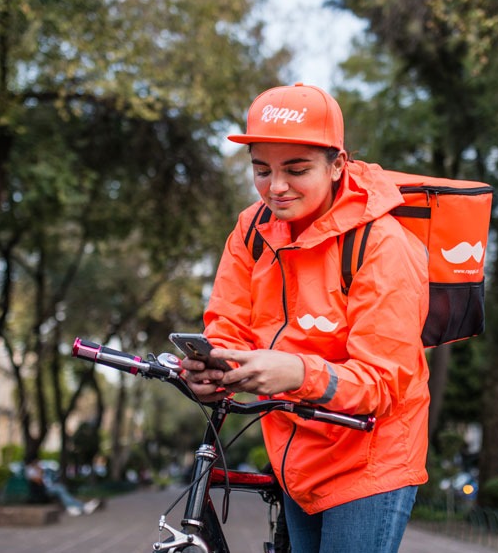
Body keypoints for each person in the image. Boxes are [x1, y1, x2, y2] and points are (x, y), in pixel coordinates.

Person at [180, 83, 431, 553]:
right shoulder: (251, 228)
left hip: (370, 462)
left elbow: (381, 382)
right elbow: (228, 325)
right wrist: (213, 371)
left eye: (296, 169)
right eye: (261, 169)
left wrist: (294, 371)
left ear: (338, 165)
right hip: (295, 457)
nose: (276, 187)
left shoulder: (383, 244)